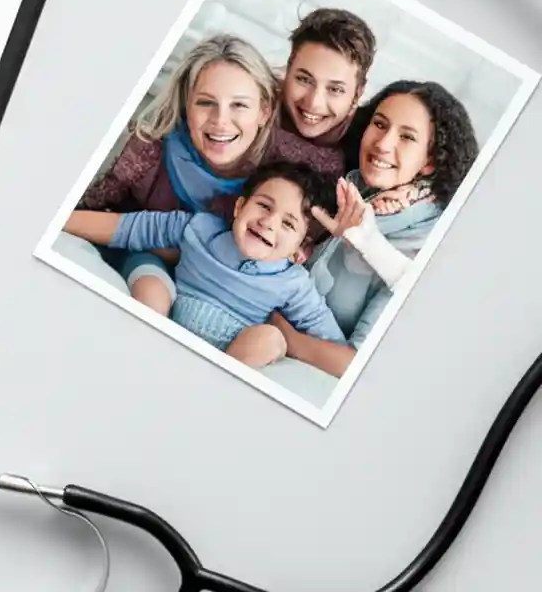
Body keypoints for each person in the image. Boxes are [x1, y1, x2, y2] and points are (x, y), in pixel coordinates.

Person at [79, 34, 342, 316]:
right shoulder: (150, 148)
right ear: (186, 104)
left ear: (264, 111)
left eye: (239, 105)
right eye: (205, 103)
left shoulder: (295, 164)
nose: (220, 121)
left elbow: (345, 166)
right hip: (145, 262)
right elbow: (91, 206)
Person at [251, 80, 480, 378]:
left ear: (431, 160)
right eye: (380, 124)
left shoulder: (426, 244)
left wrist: (287, 336)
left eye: (407, 137)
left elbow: (359, 365)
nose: (382, 144)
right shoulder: (354, 186)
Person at [66, 161, 345, 369]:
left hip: (232, 351)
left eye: (288, 224)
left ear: (300, 251)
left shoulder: (294, 284)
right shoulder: (200, 228)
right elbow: (127, 228)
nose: (268, 222)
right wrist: (59, 220)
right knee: (151, 287)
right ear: (239, 207)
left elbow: (333, 341)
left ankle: (210, 388)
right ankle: (137, 354)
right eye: (264, 206)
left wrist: (290, 338)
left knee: (270, 339)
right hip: (171, 315)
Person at [277, 8, 378, 156]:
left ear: (357, 95)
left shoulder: (366, 150)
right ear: (288, 70)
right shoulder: (253, 110)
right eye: (304, 80)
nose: (314, 103)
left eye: (335, 89)